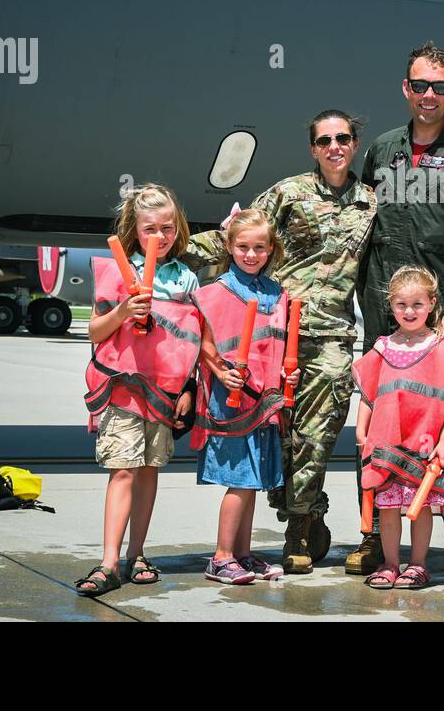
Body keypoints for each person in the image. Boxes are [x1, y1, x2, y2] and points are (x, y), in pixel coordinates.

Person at [184, 110, 376, 573]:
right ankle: (300, 507)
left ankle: (299, 528)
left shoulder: (371, 202)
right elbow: (240, 235)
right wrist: (169, 250)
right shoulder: (289, 193)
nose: (335, 146)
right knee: (276, 439)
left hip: (331, 336)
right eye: (325, 140)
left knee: (316, 438)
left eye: (343, 138)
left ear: (354, 145)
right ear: (313, 148)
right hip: (276, 332)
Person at [354, 41, 444, 580]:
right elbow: (359, 225)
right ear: (406, 89)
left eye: (439, 86)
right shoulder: (384, 151)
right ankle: (373, 534)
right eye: (420, 85)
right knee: (379, 427)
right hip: (385, 310)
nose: (429, 95)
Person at [76, 183, 202, 596]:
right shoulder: (119, 270)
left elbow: (191, 340)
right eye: (150, 229)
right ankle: (109, 561)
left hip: (164, 394)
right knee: (123, 469)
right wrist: (123, 311)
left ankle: (137, 552)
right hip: (123, 388)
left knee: (149, 470)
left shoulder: (185, 279)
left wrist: (189, 388)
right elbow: (95, 332)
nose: (160, 237)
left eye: (167, 228)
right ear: (134, 229)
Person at [191, 209, 300, 585]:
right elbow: (203, 344)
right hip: (232, 400)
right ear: (229, 246)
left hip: (265, 401)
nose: (250, 255)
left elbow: (278, 346)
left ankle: (241, 553)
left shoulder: (276, 294)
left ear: (271, 249)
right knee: (239, 478)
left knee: (253, 480)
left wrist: (289, 373)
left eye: (259, 248)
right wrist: (221, 372)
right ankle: (221, 557)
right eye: (243, 247)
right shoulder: (216, 291)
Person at [354, 266, 444, 589]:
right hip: (387, 440)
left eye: (417, 304)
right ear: (391, 305)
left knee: (420, 508)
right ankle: (390, 562)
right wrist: (361, 430)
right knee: (389, 507)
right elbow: (368, 393)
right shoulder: (382, 347)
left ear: (432, 304)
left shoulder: (440, 347)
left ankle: (417, 564)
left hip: (424, 442)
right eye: (401, 305)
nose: (409, 311)